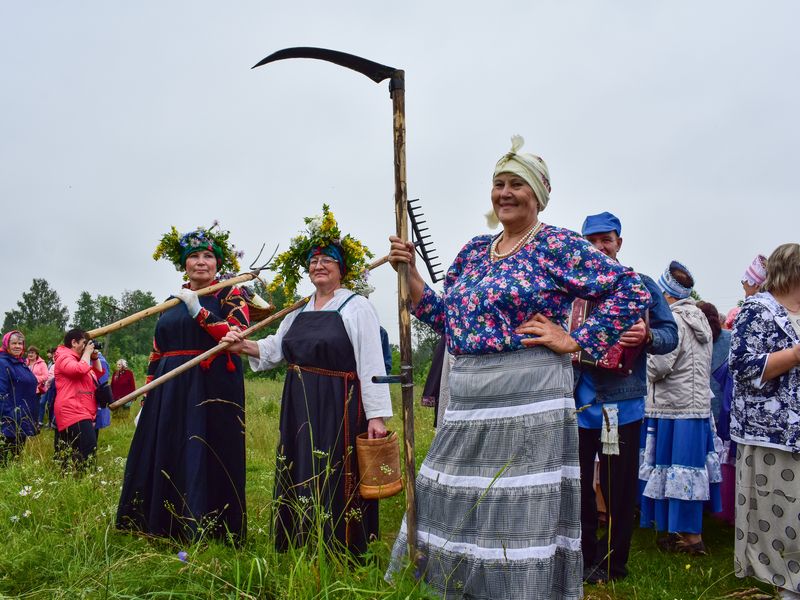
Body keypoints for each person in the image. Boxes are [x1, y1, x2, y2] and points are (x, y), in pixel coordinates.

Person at [385, 136, 650, 599]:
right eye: (498, 183)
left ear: (538, 195)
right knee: (450, 490)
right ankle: (455, 586)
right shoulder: (473, 252)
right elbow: (449, 319)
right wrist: (410, 278)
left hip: (531, 391)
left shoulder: (557, 246)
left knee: (517, 504)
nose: (504, 193)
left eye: (516, 185)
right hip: (468, 396)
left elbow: (630, 290)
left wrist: (576, 341)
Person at [223, 205, 391, 554]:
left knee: (335, 470)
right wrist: (243, 345)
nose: (318, 266)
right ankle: (298, 540)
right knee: (299, 464)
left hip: (338, 402)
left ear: (341, 269)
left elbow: (372, 363)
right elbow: (274, 349)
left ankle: (340, 546)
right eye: (313, 261)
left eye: (326, 260)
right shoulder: (297, 311)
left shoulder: (356, 307)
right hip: (298, 404)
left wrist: (376, 416)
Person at [116, 223, 249, 544]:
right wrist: (147, 395)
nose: (201, 261)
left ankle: (211, 529)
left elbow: (237, 334)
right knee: (168, 448)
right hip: (169, 388)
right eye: (194, 256)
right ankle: (161, 525)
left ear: (218, 263)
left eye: (208, 256)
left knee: (203, 451)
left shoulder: (232, 293)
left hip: (212, 385)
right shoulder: (170, 301)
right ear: (184, 264)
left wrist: (199, 310)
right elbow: (157, 351)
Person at [573, 212, 678, 584]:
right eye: (592, 241)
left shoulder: (641, 285)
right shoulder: (573, 288)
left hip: (622, 405)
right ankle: (585, 559)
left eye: (607, 239)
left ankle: (614, 563)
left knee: (618, 489)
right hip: (578, 404)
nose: (600, 247)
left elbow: (671, 335)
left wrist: (647, 337)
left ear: (619, 242)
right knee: (581, 487)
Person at [729, 243, 800, 599]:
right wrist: (794, 354)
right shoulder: (758, 310)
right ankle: (787, 586)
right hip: (772, 433)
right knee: (782, 514)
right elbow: (741, 367)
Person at [638, 261, 721, 555]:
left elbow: (660, 365)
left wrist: (638, 363)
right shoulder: (699, 318)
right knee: (689, 472)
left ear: (665, 293)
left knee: (677, 473)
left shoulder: (673, 320)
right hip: (697, 408)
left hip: (673, 407)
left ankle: (688, 537)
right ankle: (686, 531)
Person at [53, 329, 106, 470]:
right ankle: (85, 481)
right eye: (84, 343)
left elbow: (98, 374)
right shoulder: (64, 357)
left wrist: (93, 357)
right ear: (74, 342)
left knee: (76, 452)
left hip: (81, 410)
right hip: (71, 410)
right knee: (88, 449)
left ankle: (74, 480)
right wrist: (87, 353)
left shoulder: (79, 359)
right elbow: (77, 371)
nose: (86, 346)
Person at [0, 331, 39, 465]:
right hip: (9, 420)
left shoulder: (21, 363)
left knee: (16, 459)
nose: (17, 346)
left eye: (20, 343)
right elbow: (1, 392)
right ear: (6, 344)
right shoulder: (2, 363)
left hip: (23, 417)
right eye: (13, 343)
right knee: (4, 461)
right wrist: (9, 416)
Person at [26, 346, 49, 429]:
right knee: (26, 407)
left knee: (34, 407)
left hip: (36, 390)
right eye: (29, 353)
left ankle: (35, 425)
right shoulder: (25, 362)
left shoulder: (42, 363)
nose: (30, 354)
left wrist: (33, 379)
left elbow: (46, 376)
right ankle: (27, 424)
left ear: (36, 354)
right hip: (25, 389)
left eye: (32, 353)